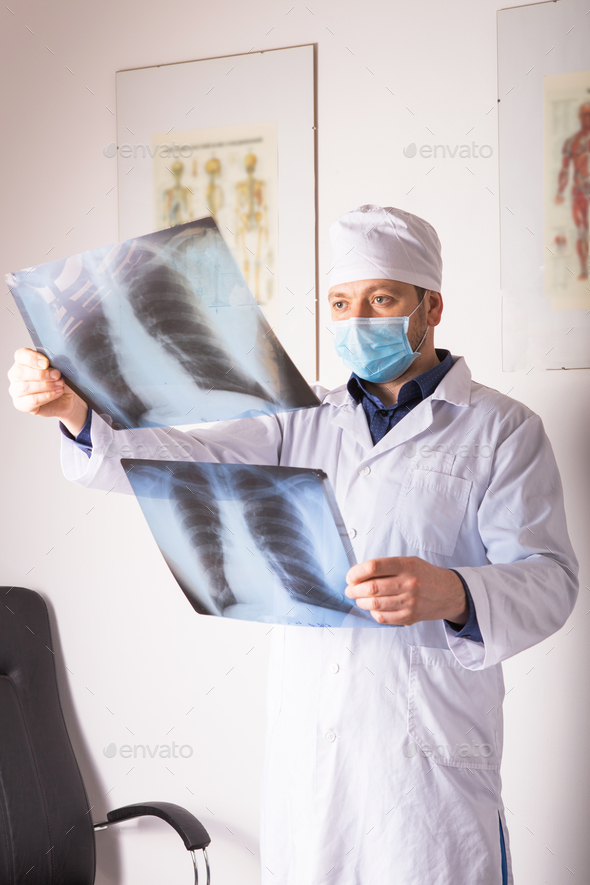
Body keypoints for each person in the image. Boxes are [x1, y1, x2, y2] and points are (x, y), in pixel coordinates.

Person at [8, 204, 578, 885]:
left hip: (429, 768)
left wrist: (452, 591)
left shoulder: (501, 429)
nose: (359, 318)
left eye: (382, 299)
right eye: (342, 302)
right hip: (313, 761)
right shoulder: (299, 418)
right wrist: (77, 412)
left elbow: (550, 579)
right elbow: (183, 464)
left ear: (432, 306)